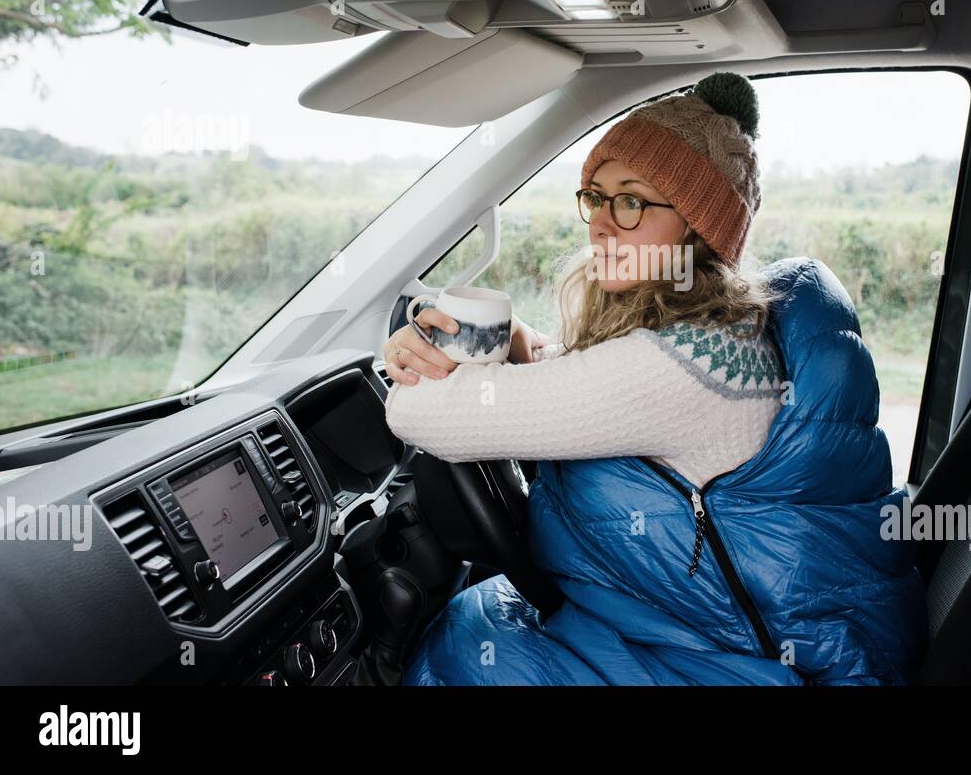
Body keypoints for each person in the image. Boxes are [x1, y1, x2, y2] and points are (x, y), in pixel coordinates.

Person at [382, 72, 928, 684]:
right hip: (700, 632)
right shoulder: (721, 334)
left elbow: (417, 416)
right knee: (473, 627)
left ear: (698, 226)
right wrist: (513, 344)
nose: (601, 225)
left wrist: (415, 357)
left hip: (736, 662)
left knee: (460, 647)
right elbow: (587, 379)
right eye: (595, 196)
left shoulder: (684, 368)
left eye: (632, 200)